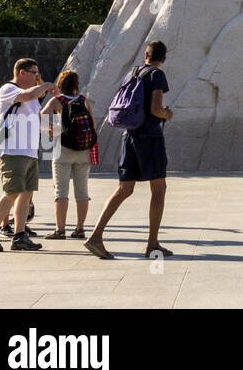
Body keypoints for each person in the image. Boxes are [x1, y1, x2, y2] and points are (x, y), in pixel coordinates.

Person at [84, 40, 172, 260]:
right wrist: (167, 115)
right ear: (163, 58)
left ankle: (96, 236)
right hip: (149, 137)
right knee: (159, 188)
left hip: (129, 135)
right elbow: (155, 108)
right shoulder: (156, 75)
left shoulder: (132, 73)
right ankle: (152, 244)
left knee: (124, 189)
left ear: (146, 55)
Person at [0, 59, 58, 252]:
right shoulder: (8, 90)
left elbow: (35, 116)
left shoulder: (32, 96)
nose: (36, 76)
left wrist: (47, 128)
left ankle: (19, 236)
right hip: (12, 151)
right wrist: (45, 85)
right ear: (22, 72)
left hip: (30, 151)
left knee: (26, 195)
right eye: (34, 72)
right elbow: (28, 95)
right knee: (12, 192)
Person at [40, 70, 96, 240]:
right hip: (83, 150)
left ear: (61, 84)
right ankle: (80, 228)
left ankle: (60, 229)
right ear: (76, 84)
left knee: (61, 191)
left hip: (62, 150)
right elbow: (92, 125)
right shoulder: (83, 101)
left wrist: (55, 130)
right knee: (82, 191)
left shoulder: (57, 101)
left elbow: (41, 118)